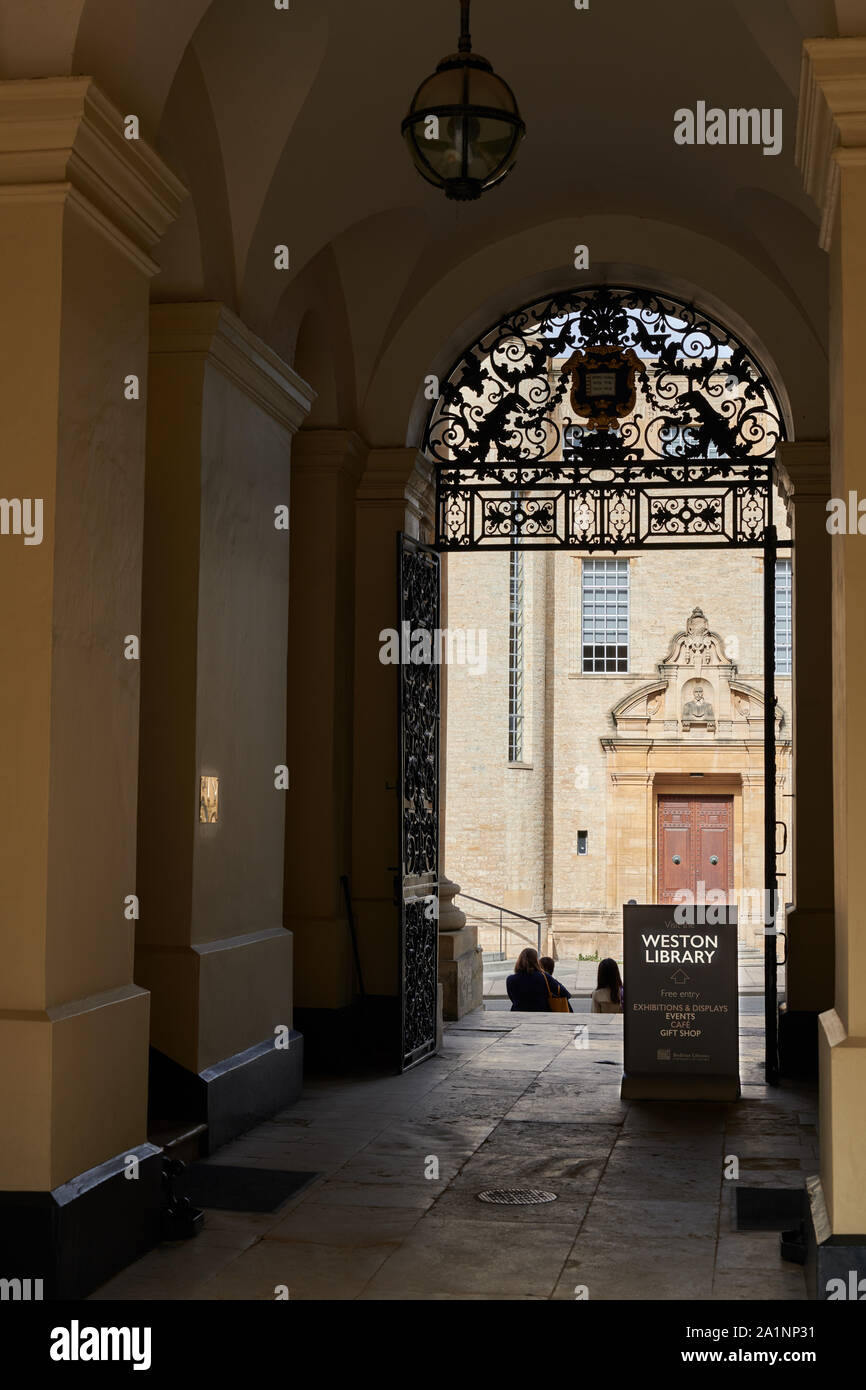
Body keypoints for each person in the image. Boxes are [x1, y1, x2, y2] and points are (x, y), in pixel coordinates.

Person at [506, 948, 573, 1012]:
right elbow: (564, 993)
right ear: (536, 961)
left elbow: (513, 999)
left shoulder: (510, 979)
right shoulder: (544, 976)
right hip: (541, 1015)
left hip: (518, 1015)